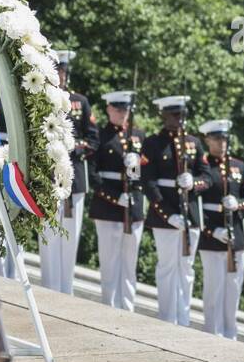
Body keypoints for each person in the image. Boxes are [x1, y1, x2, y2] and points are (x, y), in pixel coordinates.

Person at [141, 96, 211, 326]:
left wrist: (194, 182)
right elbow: (148, 182)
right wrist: (167, 213)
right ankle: (166, 318)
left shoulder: (193, 143)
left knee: (187, 268)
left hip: (189, 213)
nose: (179, 119)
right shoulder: (152, 143)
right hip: (165, 215)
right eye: (174, 115)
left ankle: (184, 318)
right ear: (164, 116)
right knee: (167, 267)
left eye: (181, 115)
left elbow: (207, 176)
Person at [39, 50, 98, 294]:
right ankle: (48, 286)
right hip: (49, 174)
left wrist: (75, 147)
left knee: (70, 236)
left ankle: (66, 288)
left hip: (74, 176)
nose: (60, 75)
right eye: (57, 70)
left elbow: (93, 138)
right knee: (49, 232)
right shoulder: (41, 97)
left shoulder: (80, 102)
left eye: (63, 71)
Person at [88, 90, 145, 311]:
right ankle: (109, 305)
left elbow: (145, 175)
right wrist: (114, 197)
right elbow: (93, 175)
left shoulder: (138, 136)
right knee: (110, 262)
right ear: (109, 109)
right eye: (118, 109)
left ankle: (128, 307)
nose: (122, 114)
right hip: (108, 208)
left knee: (130, 263)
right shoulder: (101, 136)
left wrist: (136, 166)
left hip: (133, 207)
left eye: (126, 110)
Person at [195, 120, 244, 340]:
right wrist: (211, 230)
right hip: (212, 237)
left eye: (225, 138)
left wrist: (238, 204)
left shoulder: (239, 166)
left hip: (235, 235)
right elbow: (196, 204)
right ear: (207, 140)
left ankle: (231, 334)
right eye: (217, 138)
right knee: (213, 290)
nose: (223, 143)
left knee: (233, 290)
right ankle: (212, 333)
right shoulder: (203, 166)